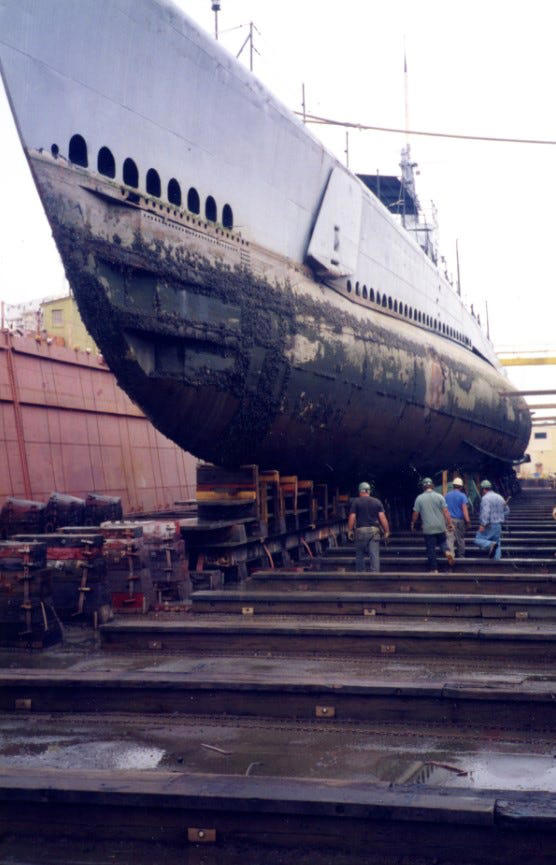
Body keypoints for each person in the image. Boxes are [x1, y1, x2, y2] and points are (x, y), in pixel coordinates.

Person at [411, 478, 455, 572]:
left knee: (431, 549)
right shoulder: (439, 496)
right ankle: (447, 552)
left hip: (428, 529)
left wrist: (413, 523)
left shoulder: (419, 498)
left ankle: (434, 569)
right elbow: (446, 511)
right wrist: (450, 523)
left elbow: (415, 513)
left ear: (423, 486)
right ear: (432, 486)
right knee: (443, 542)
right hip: (440, 526)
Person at [348, 482, 390, 572]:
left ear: (360, 491)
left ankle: (360, 575)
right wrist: (387, 531)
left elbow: (352, 517)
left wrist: (350, 530)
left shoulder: (356, 502)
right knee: (374, 554)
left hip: (360, 532)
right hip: (374, 532)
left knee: (360, 555)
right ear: (368, 491)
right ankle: (375, 575)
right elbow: (383, 518)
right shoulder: (377, 501)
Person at [473, 479, 509, 560]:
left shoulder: (485, 498)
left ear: (483, 489)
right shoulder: (499, 497)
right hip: (498, 525)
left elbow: (486, 512)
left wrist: (483, 524)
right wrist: (500, 516)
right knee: (497, 544)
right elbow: (507, 510)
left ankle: (491, 545)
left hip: (489, 525)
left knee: (477, 540)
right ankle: (497, 564)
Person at [444, 477, 471, 558]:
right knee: (460, 539)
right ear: (461, 486)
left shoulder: (447, 495)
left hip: (449, 520)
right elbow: (465, 510)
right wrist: (468, 521)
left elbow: (444, 509)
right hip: (459, 521)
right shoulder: (463, 496)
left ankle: (451, 555)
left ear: (453, 486)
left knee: (449, 538)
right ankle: (461, 555)